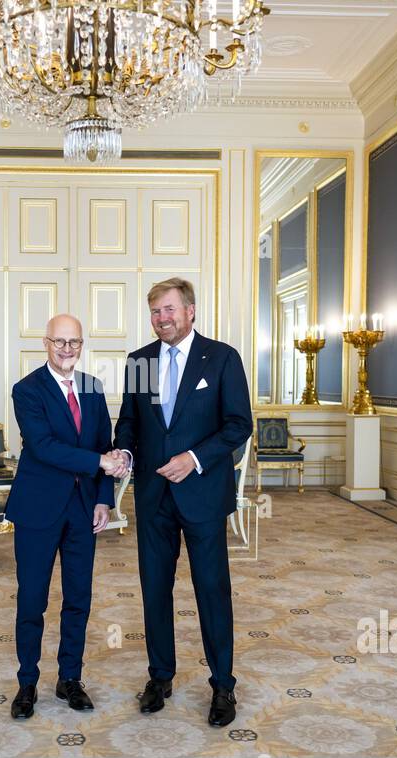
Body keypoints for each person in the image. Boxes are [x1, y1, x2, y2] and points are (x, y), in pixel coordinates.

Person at [115, 278, 251, 727]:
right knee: (155, 590)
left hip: (203, 495)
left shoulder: (223, 357)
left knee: (212, 591)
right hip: (153, 497)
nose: (162, 319)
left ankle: (223, 685)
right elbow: (128, 424)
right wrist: (126, 455)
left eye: (170, 310)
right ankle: (160, 676)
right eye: (155, 312)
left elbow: (238, 425)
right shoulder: (139, 362)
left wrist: (193, 458)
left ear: (190, 311)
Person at [4, 313, 127, 719]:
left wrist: (103, 499)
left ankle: (69, 679)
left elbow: (104, 444)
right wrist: (101, 463)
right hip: (38, 509)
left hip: (83, 511)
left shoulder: (92, 388)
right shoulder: (27, 390)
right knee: (32, 600)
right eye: (59, 342)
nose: (67, 349)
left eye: (74, 342)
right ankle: (26, 684)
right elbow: (44, 446)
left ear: (81, 344)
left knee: (78, 599)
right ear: (45, 343)